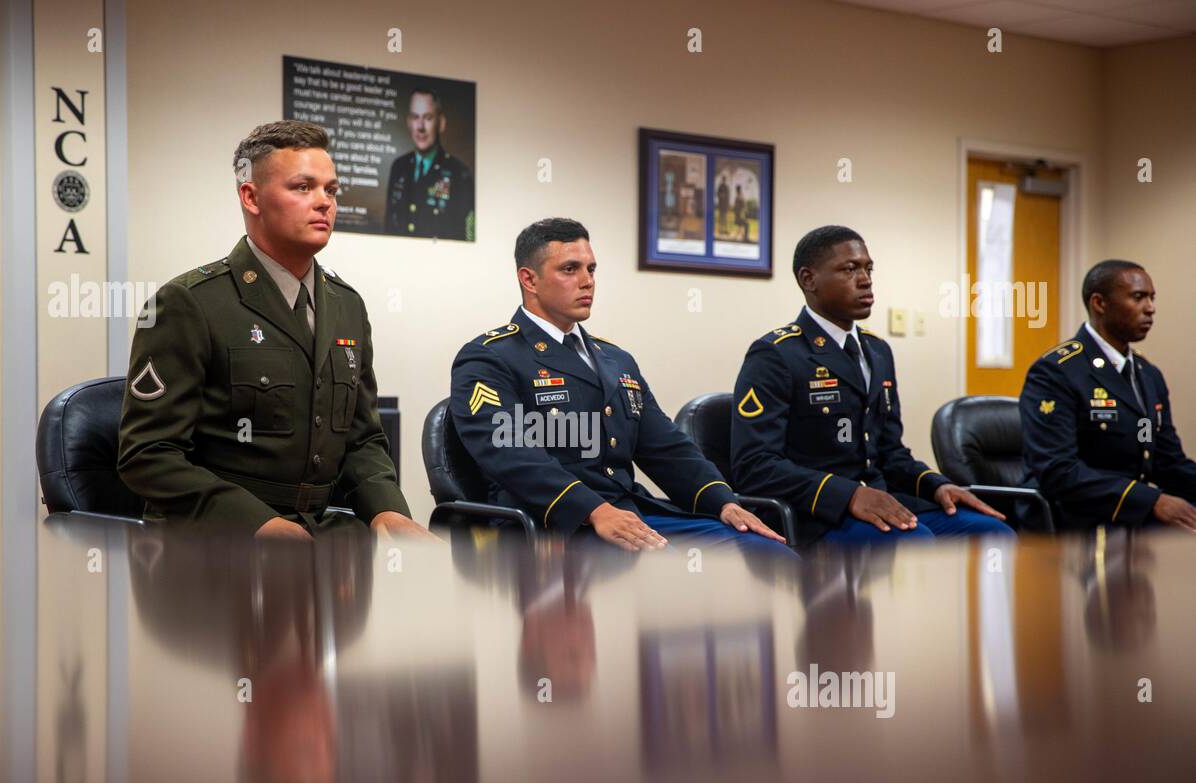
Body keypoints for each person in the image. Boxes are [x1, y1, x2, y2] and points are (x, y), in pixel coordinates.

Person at [118, 120, 429, 540]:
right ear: (252, 196)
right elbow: (148, 455)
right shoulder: (191, 303)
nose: (324, 203)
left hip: (322, 531)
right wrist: (258, 523)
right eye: (303, 187)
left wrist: (387, 510)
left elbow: (362, 441)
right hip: (216, 541)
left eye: (331, 190)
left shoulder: (346, 305)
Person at [450, 217, 791, 556]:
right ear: (530, 279)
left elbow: (667, 448)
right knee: (682, 577)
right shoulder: (489, 357)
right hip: (554, 527)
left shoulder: (614, 358)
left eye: (592, 269)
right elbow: (511, 455)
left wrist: (723, 502)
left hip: (631, 514)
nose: (587, 282)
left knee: (765, 555)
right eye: (570, 269)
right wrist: (593, 510)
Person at [730, 225, 1011, 547]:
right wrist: (849, 495)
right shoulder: (777, 353)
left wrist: (935, 485)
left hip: (879, 500)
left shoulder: (877, 351)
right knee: (912, 542)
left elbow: (890, 452)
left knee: (991, 532)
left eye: (868, 268)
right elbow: (755, 466)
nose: (865, 280)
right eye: (849, 269)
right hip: (815, 514)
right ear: (809, 280)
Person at [1019, 259, 1196, 531]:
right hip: (1081, 516)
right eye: (1138, 297)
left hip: (1133, 511)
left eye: (1151, 298)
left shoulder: (1146, 374)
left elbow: (1166, 461)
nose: (1150, 308)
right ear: (1099, 303)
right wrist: (1153, 501)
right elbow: (1058, 471)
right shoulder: (1057, 371)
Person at [384, 88, 474, 240]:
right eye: (415, 117)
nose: (420, 127)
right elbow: (388, 228)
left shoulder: (460, 174)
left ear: (441, 123)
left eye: (428, 118)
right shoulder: (398, 167)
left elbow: (466, 236)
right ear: (409, 122)